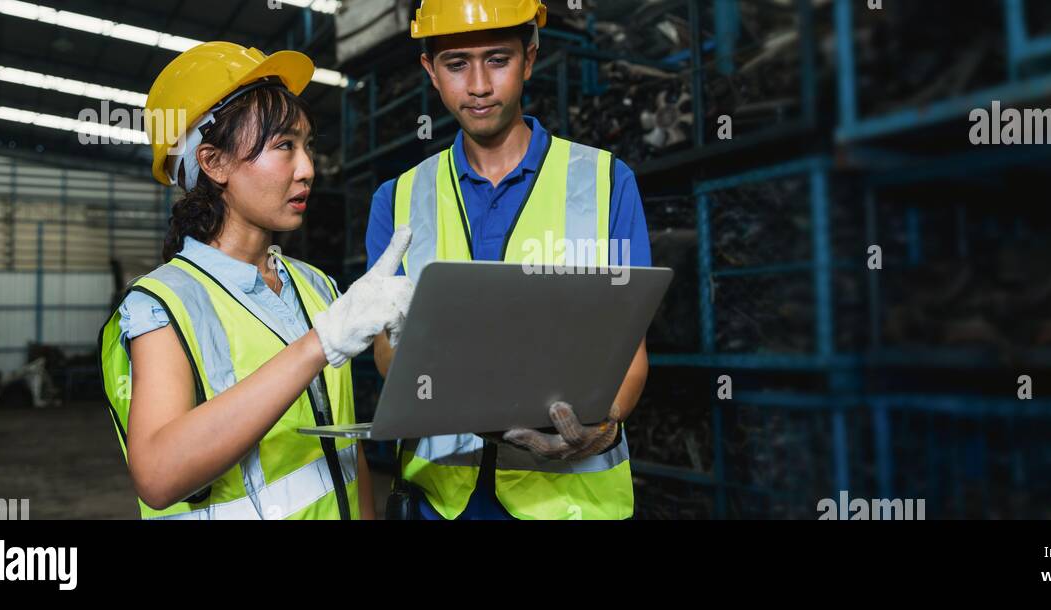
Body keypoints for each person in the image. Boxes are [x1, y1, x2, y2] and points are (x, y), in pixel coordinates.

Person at [99, 41, 414, 519]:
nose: (307, 168)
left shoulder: (316, 287)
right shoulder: (161, 307)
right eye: (284, 146)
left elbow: (346, 457)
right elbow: (158, 476)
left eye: (308, 146)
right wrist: (317, 345)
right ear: (215, 162)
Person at [365, 0, 653, 520]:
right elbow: (387, 348)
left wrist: (602, 425)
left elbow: (629, 353)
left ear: (530, 58)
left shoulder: (606, 183)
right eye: (456, 64)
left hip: (567, 504)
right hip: (441, 502)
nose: (478, 85)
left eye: (497, 59)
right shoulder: (399, 198)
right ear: (430, 71)